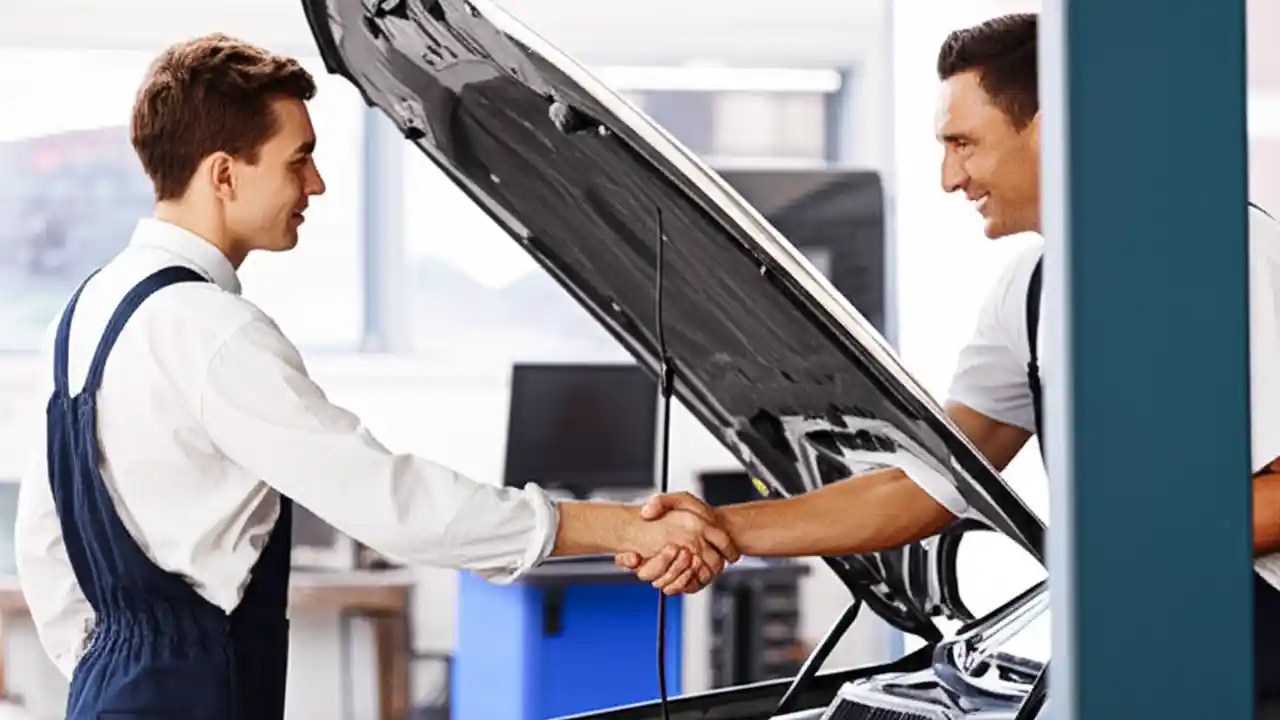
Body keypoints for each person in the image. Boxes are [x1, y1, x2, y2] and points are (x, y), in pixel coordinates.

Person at [13, 34, 736, 720]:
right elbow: (393, 504)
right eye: (298, 160)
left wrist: (112, 671)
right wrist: (619, 527)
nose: (317, 184)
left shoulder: (83, 313)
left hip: (109, 689)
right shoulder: (212, 331)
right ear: (224, 174)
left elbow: (45, 547)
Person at [617, 11, 1280, 707]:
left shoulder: (1222, 253)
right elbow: (929, 483)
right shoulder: (1034, 288)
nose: (948, 178)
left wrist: (1122, 540)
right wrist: (725, 528)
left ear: (1052, 128)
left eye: (964, 143)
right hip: (1144, 644)